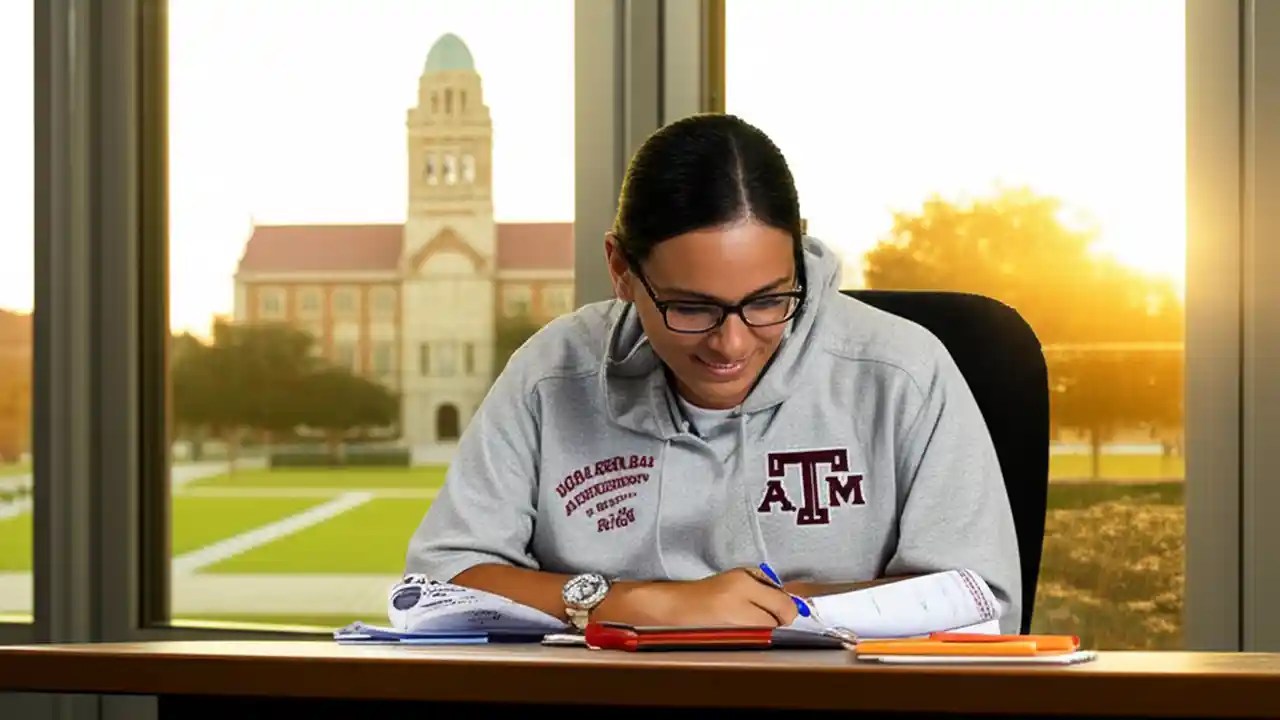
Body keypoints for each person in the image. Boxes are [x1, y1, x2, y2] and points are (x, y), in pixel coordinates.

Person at [404, 113, 1021, 633]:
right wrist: (638, 603)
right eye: (690, 307)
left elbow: (981, 604)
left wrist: (770, 606)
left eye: (768, 300)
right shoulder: (552, 373)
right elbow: (436, 587)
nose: (731, 343)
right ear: (620, 266)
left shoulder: (903, 372)